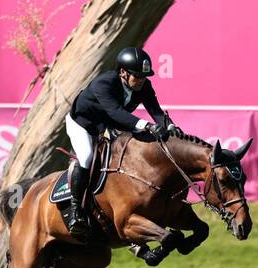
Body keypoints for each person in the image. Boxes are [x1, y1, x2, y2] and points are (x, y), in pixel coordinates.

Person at [62, 46, 181, 240]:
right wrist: (148, 126)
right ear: (123, 73)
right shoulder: (104, 83)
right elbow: (115, 112)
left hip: (111, 123)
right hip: (83, 124)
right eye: (137, 76)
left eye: (144, 76)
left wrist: (170, 127)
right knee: (86, 157)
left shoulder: (144, 86)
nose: (141, 80)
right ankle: (75, 209)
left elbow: (156, 111)